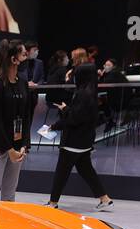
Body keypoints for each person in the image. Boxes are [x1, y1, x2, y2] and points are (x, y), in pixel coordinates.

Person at [48, 62, 113, 212]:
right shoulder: (92, 93)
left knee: (62, 172)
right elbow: (82, 117)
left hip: (73, 141)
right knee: (86, 170)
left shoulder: (82, 95)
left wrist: (64, 110)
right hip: (85, 141)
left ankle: (52, 203)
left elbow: (74, 119)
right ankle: (104, 198)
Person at [0, 39, 31, 201]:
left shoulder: (23, 83)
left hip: (17, 146)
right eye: (24, 54)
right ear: (13, 59)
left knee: (10, 196)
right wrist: (9, 150)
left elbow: (26, 115)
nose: (27, 58)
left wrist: (24, 144)